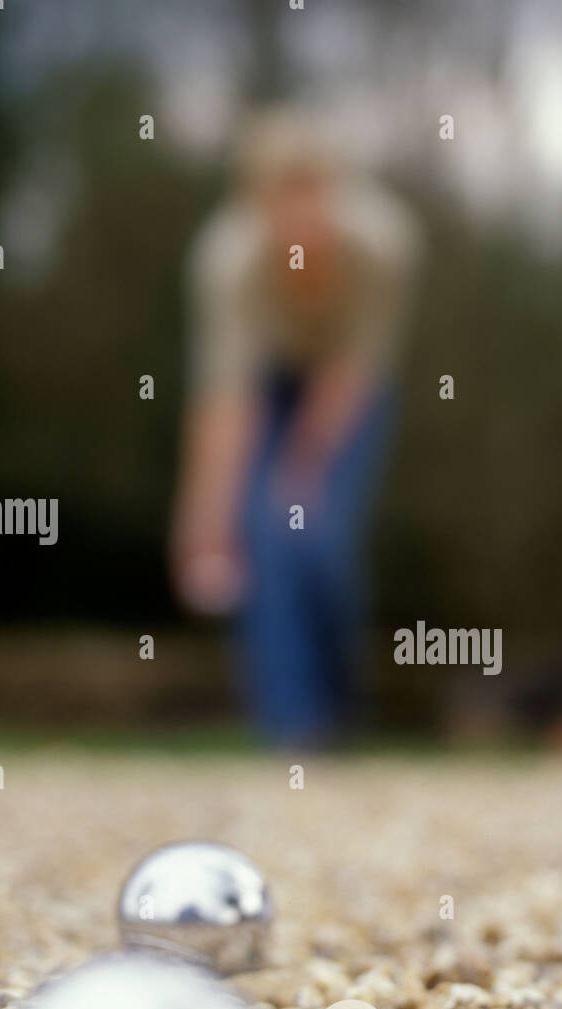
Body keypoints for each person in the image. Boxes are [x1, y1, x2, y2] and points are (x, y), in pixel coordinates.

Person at [171, 108, 421, 744]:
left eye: (314, 196)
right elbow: (225, 405)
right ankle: (292, 729)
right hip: (267, 385)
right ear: (257, 204)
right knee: (261, 528)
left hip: (348, 385)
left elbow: (353, 371)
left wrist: (303, 467)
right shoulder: (225, 262)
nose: (301, 218)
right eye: (283, 200)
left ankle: (341, 709)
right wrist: (203, 520)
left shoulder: (386, 245)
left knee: (317, 532)